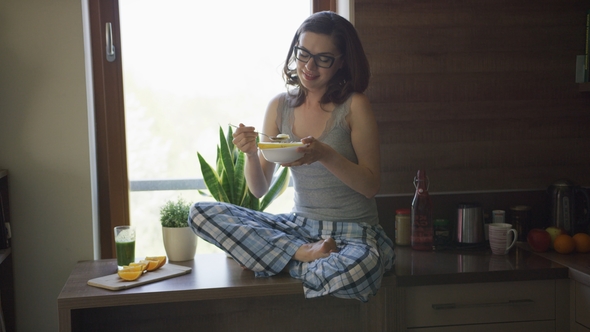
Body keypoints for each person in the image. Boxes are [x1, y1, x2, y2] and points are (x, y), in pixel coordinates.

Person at [188, 11, 395, 302]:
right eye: (303, 53)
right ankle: (302, 255)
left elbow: (371, 185)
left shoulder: (354, 106)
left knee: (363, 267)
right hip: (300, 229)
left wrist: (324, 154)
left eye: (323, 58)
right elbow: (258, 190)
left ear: (342, 63)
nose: (309, 66)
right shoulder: (279, 107)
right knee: (199, 212)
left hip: (354, 233)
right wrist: (249, 154)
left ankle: (275, 260)